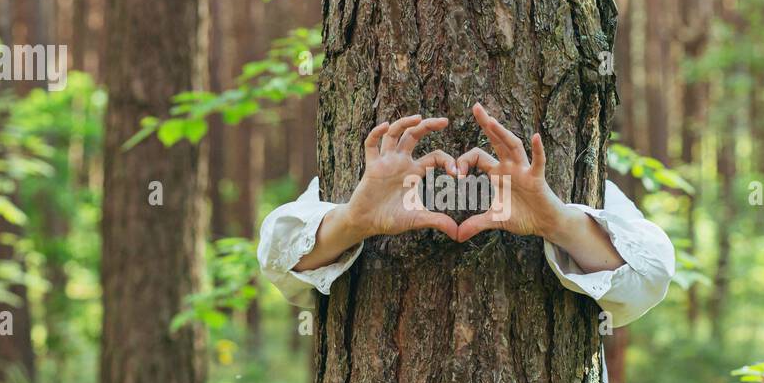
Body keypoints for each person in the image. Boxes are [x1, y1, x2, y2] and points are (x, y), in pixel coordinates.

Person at [258, 103, 677, 332]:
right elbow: (277, 258)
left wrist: (556, 222)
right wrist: (353, 222)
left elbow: (652, 275)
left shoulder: (598, 193)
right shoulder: (336, 185)